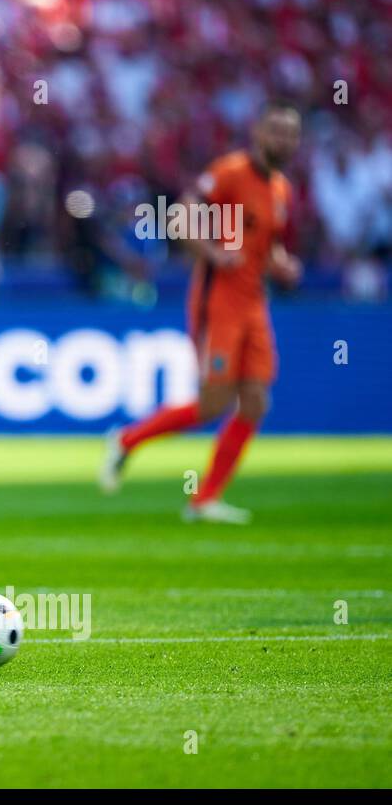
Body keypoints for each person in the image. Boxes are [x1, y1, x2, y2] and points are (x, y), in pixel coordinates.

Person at [99, 101, 304, 523]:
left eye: (290, 132)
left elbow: (267, 246)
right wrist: (212, 252)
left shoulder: (281, 189)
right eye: (276, 130)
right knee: (213, 404)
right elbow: (179, 216)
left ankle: (204, 499)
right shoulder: (231, 173)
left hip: (254, 304)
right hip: (220, 302)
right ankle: (127, 439)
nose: (283, 139)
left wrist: (282, 264)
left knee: (255, 402)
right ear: (259, 134)